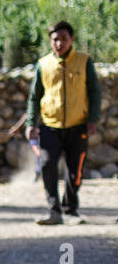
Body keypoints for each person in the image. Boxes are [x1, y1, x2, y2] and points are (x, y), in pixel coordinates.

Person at [25, 21, 101, 225]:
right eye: (55, 39)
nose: (59, 43)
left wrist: (92, 119)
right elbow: (34, 97)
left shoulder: (84, 62)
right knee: (48, 165)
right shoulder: (43, 64)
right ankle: (53, 210)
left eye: (63, 39)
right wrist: (31, 123)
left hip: (78, 126)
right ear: (50, 41)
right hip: (50, 126)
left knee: (75, 170)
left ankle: (70, 210)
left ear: (72, 39)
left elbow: (95, 92)